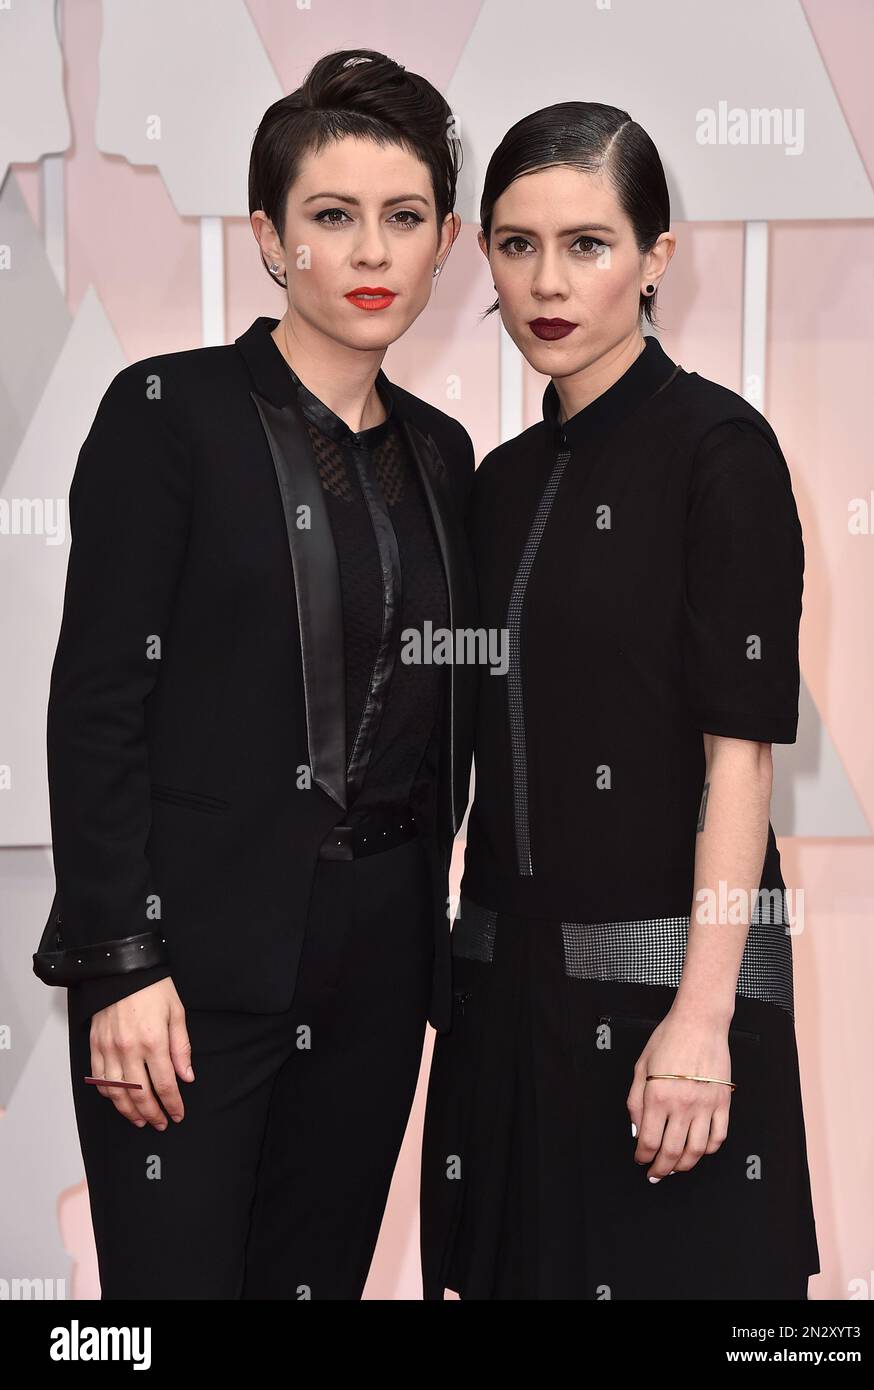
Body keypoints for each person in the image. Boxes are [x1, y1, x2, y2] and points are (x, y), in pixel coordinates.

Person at [33, 48, 478, 1299]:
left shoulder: (445, 457)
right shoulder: (166, 413)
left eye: (403, 220)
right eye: (332, 218)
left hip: (380, 964)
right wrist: (119, 960)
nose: (371, 253)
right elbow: (99, 703)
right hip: (184, 969)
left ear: (444, 239)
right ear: (269, 237)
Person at [420, 101, 820, 1300]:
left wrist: (701, 1025)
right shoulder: (493, 483)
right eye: (514, 243)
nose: (547, 281)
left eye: (587, 244)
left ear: (655, 259)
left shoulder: (720, 453)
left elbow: (737, 761)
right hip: (502, 1003)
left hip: (665, 1000)